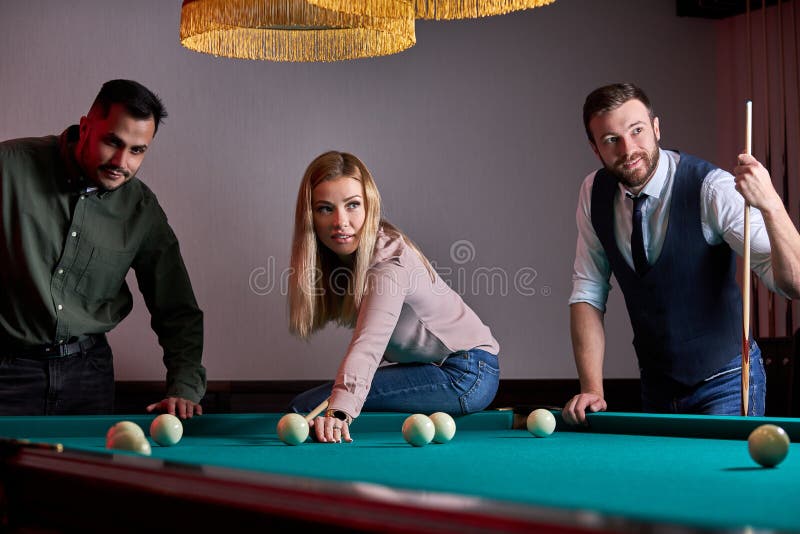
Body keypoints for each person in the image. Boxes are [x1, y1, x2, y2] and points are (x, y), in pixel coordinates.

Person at [563, 83, 800, 424]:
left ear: (656, 128)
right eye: (611, 140)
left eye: (637, 130)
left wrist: (772, 205)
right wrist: (593, 389)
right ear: (595, 148)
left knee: (718, 480)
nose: (629, 149)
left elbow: (792, 284)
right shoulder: (593, 193)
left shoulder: (712, 188)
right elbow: (587, 292)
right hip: (657, 387)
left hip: (727, 382)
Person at [0, 79, 205, 418]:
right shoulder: (8, 168)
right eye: (113, 141)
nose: (121, 161)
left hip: (88, 376)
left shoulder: (141, 208)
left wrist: (184, 385)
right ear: (85, 127)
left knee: (89, 473)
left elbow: (177, 308)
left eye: (137, 150)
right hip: (8, 371)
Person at [288, 151, 500, 443]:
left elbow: (370, 342)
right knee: (307, 404)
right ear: (310, 215)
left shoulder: (388, 262)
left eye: (352, 205)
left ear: (370, 205)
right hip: (443, 369)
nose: (341, 221)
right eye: (326, 208)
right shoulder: (351, 259)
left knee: (306, 407)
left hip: (466, 373)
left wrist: (339, 412)